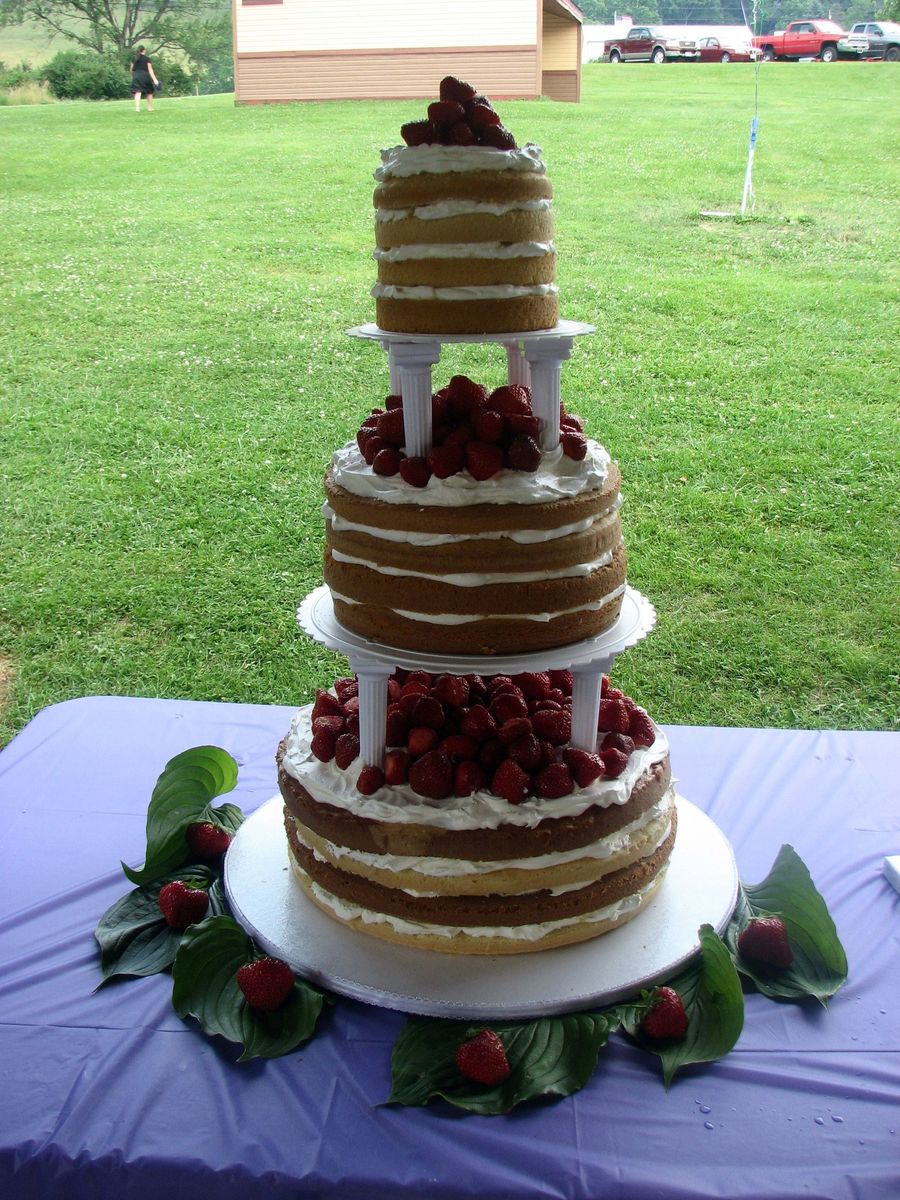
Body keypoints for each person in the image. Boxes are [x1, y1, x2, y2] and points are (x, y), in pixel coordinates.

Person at [130, 46, 158, 113]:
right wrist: (155, 79)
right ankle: (150, 108)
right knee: (149, 92)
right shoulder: (147, 59)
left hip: (136, 75)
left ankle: (137, 108)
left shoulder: (134, 58)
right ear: (144, 50)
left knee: (137, 92)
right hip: (145, 76)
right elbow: (150, 70)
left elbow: (131, 70)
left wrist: (134, 75)